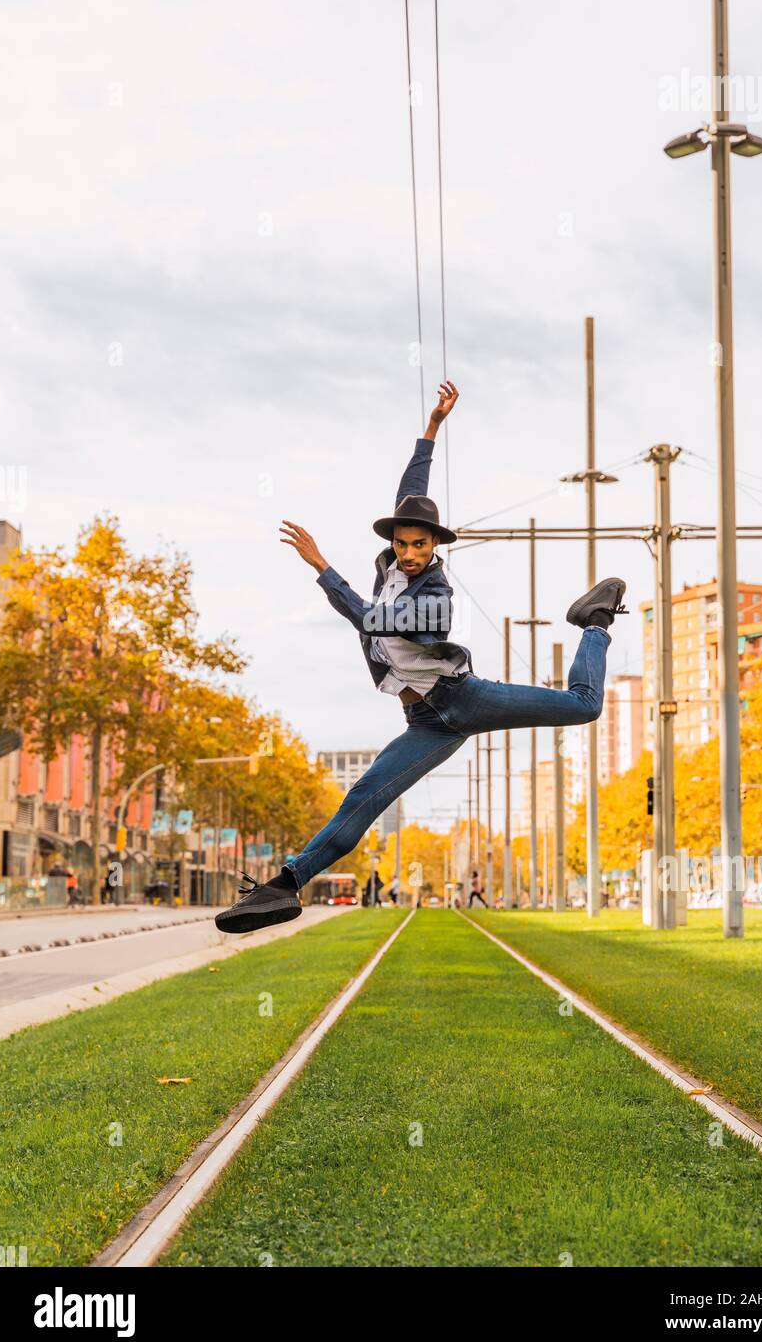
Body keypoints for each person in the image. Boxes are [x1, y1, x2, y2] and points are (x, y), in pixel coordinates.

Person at [216, 382, 626, 934]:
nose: (409, 554)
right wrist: (432, 427)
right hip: (427, 722)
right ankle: (281, 889)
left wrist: (321, 566)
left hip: (467, 700)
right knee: (365, 795)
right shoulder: (389, 566)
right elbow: (411, 492)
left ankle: (594, 623)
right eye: (404, 543)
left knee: (584, 706)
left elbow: (365, 618)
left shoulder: (435, 601)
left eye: (420, 546)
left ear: (435, 548)